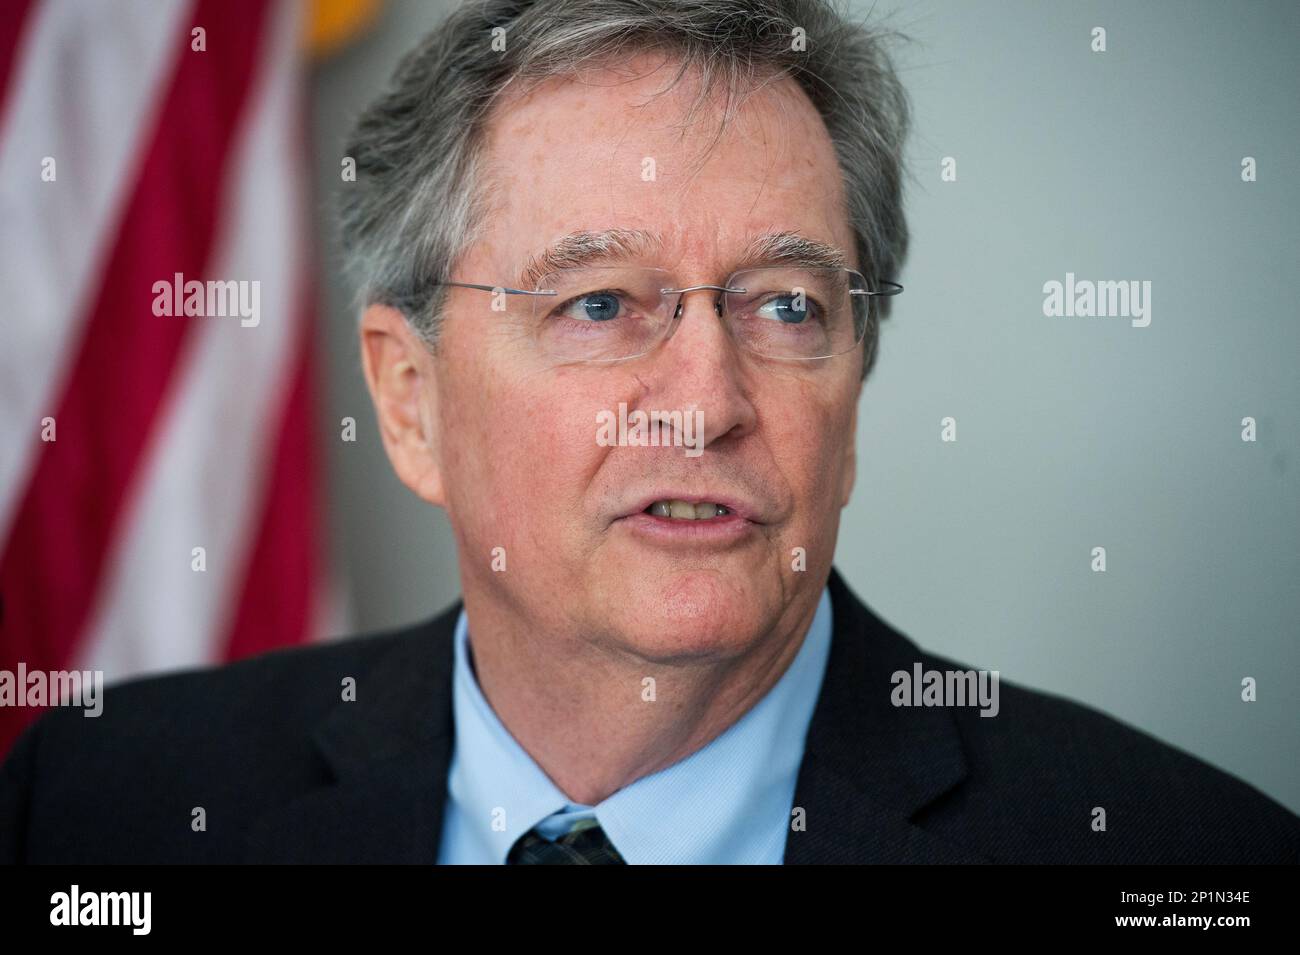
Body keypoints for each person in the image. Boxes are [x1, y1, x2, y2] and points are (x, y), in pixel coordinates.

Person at [2, 0, 1295, 864]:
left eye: (788, 306)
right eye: (602, 304)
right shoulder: (97, 806)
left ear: (854, 388)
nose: (710, 399)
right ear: (412, 402)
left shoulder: (1177, 858)